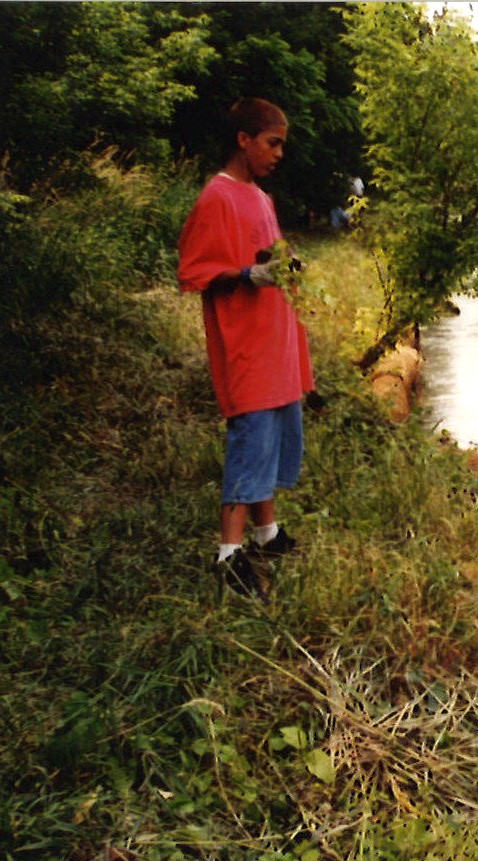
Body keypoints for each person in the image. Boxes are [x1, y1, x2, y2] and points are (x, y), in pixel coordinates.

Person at [177, 98, 314, 597]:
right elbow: (195, 270)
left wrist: (284, 264)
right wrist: (245, 275)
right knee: (251, 438)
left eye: (282, 145)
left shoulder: (261, 197)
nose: (279, 153)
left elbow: (267, 253)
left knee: (275, 433)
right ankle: (228, 556)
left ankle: (267, 534)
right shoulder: (217, 197)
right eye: (272, 143)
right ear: (243, 139)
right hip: (245, 342)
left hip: (275, 336)